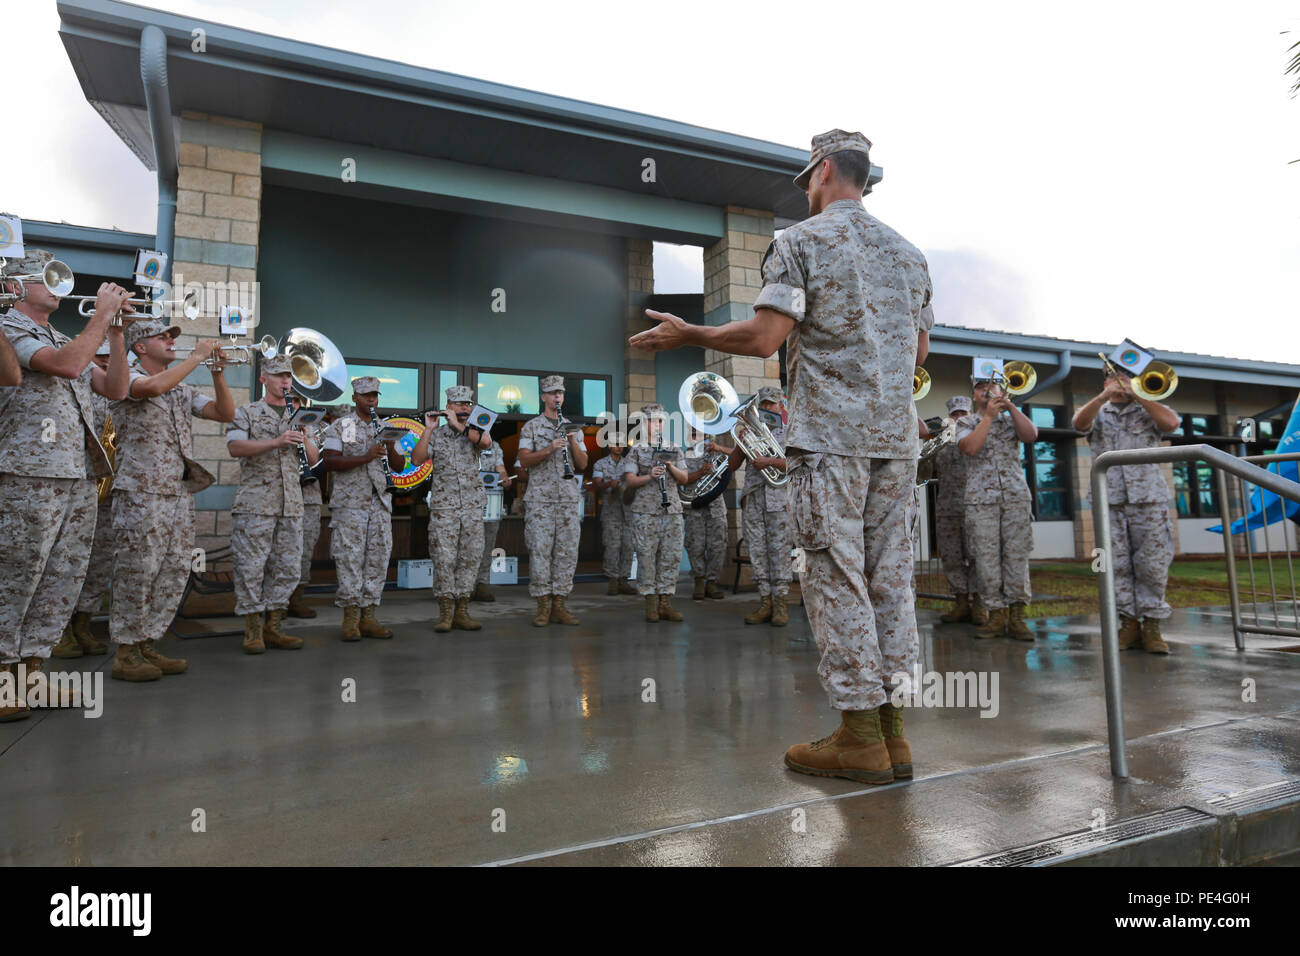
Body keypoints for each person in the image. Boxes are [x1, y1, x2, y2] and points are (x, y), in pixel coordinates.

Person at [631, 129, 933, 784]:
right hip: (896, 442)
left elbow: (766, 335)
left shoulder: (801, 242)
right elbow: (918, 358)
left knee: (836, 573)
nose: (805, 191)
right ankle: (893, 736)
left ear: (823, 171)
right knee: (891, 577)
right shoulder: (910, 256)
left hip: (832, 441)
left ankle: (858, 737)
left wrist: (691, 333)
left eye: (805, 180)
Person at [1, 250, 130, 719]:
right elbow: (68, 366)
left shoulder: (59, 334)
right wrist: (99, 316)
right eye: (44, 278)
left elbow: (115, 390)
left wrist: (115, 332)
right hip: (27, 471)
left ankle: (30, 675)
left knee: (61, 577)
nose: (56, 285)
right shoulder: (10, 327)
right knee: (16, 575)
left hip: (76, 473)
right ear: (15, 285)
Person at [104, 319, 235, 680]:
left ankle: (148, 642)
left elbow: (225, 414)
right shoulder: (127, 376)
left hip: (177, 492)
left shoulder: (182, 388)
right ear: (140, 347)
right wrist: (195, 356)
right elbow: (149, 388)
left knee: (173, 570)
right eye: (161, 336)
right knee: (138, 570)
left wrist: (218, 374)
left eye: (171, 336)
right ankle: (126, 652)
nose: (168, 340)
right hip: (140, 491)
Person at [1072, 364, 1180, 654]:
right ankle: (1127, 624)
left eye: (1126, 377)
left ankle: (1152, 625)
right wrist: (1101, 397)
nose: (1120, 381)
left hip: (1148, 499)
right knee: (1115, 565)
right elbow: (1079, 424)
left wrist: (1140, 395)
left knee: (1153, 565)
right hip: (1109, 499)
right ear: (1106, 381)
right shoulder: (1099, 410)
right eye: (1113, 376)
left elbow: (1171, 424)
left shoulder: (1151, 407)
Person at [226, 356, 318, 653]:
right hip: (256, 504)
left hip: (291, 505)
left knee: (288, 567)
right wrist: (276, 442)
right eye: (279, 376)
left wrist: (305, 438)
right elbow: (235, 448)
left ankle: (274, 626)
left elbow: (314, 460)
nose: (285, 381)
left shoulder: (301, 414)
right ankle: (253, 630)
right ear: (264, 378)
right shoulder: (247, 412)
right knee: (251, 567)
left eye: (288, 376)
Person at [956, 370, 1038, 640]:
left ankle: (1017, 616)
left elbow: (1030, 436)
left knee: (1017, 557)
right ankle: (995, 614)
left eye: (993, 387)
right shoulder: (966, 422)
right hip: (981, 501)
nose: (988, 391)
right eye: (981, 387)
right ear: (973, 394)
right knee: (986, 559)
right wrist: (989, 417)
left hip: (1014, 498)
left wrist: (1010, 406)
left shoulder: (1011, 420)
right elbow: (969, 448)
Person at [320, 378, 403, 641]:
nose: (371, 400)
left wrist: (389, 445)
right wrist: (366, 456)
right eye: (366, 395)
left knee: (377, 560)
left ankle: (369, 617)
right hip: (350, 504)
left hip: (379, 503)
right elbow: (330, 462)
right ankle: (350, 618)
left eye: (375, 395)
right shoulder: (341, 426)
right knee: (349, 560)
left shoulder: (387, 427)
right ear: (355, 397)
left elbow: (400, 467)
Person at [52, 341, 116, 660]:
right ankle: (57, 630)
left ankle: (83, 625)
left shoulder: (115, 383)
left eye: (110, 354)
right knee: (66, 560)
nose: (105, 358)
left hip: (107, 489)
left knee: (100, 562)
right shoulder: (74, 383)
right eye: (99, 353)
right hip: (75, 482)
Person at [412, 385, 493, 631]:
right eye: (459, 404)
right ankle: (445, 612)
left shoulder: (476, 430)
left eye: (468, 404)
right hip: (444, 507)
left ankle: (462, 611)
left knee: (470, 558)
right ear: (448, 407)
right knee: (444, 558)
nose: (465, 408)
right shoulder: (437, 434)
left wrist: (460, 426)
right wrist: (428, 429)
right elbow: (417, 459)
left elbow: (487, 443)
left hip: (471, 506)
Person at [516, 375, 588, 627]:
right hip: (540, 501)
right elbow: (524, 460)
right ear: (543, 397)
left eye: (561, 393)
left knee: (567, 553)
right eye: (552, 392)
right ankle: (543, 606)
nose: (557, 396)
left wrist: (570, 440)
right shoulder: (531, 427)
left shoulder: (573, 428)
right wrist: (548, 449)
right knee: (540, 552)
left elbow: (582, 465)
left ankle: (560, 605)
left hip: (567, 501)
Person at [720, 386, 792, 625]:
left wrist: (770, 461)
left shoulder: (791, 431)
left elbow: (800, 463)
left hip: (779, 498)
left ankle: (781, 604)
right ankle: (765, 601)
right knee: (757, 550)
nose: (766, 408)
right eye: (763, 404)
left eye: (771, 404)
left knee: (779, 551)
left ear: (781, 405)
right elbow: (731, 466)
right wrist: (740, 444)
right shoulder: (749, 431)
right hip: (753, 498)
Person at [622, 405, 690, 622]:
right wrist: (650, 475)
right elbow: (630, 481)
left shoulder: (673, 448)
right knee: (646, 557)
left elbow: (684, 478)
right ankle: (650, 603)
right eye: (653, 420)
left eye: (661, 420)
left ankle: (665, 602)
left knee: (671, 557)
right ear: (644, 423)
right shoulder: (636, 450)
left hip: (671, 510)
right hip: (645, 511)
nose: (658, 424)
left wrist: (670, 466)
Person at [934, 396, 981, 624]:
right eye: (955, 414)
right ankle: (961, 602)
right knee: (951, 557)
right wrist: (940, 438)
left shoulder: (977, 435)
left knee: (976, 555)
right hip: (947, 507)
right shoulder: (941, 439)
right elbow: (924, 468)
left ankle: (980, 603)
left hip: (974, 505)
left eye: (963, 414)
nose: (959, 418)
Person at [286, 391, 328, 620]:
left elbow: (319, 464)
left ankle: (297, 599)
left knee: (304, 550)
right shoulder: (272, 424)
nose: (291, 404)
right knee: (280, 550)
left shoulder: (316, 428)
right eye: (289, 399)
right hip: (280, 497)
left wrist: (304, 436)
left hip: (309, 498)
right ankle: (277, 602)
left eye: (295, 400)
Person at [681, 431, 729, 601]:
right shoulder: (685, 455)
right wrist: (701, 472)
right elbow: (682, 480)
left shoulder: (716, 453)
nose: (696, 437)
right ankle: (699, 580)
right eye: (693, 434)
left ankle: (712, 582)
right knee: (695, 545)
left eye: (700, 434)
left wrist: (719, 447)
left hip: (716, 506)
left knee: (718, 546)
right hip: (694, 506)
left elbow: (735, 458)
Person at [471, 436, 514, 602]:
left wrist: (505, 478)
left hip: (491, 502)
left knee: (487, 544)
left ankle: (482, 584)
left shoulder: (494, 445)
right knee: (467, 544)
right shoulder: (464, 441)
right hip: (467, 500)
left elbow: (500, 468)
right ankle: (464, 586)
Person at [591, 438, 637, 595]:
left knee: (629, 547)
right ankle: (612, 581)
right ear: (610, 446)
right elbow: (597, 484)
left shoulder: (630, 463)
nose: (620, 447)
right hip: (611, 513)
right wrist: (608, 484)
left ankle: (624, 580)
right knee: (612, 547)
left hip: (629, 512)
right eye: (616, 444)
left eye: (622, 444)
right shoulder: (600, 464)